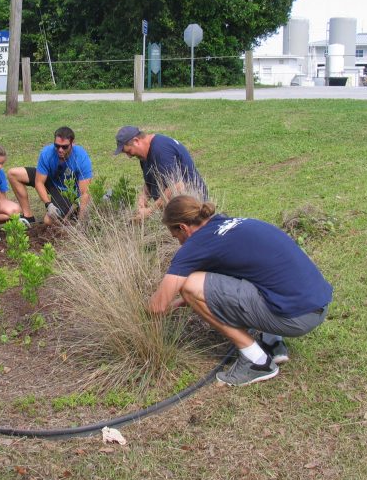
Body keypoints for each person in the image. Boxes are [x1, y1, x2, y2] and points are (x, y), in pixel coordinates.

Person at [147, 195, 332, 386]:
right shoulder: (228, 223)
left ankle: (257, 362)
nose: (178, 243)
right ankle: (271, 340)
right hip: (317, 305)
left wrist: (143, 315)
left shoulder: (196, 244)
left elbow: (157, 307)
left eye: (175, 236)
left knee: (188, 286)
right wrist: (179, 303)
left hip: (296, 318)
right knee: (245, 272)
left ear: (183, 228)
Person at [114, 126, 207, 219]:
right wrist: (143, 198)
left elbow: (176, 186)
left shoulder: (161, 150)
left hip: (191, 209)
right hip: (175, 207)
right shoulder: (144, 154)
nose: (129, 156)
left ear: (136, 141)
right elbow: (150, 180)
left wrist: (150, 211)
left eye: (129, 151)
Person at [7, 126, 93, 225]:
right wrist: (49, 205)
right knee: (13, 174)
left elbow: (85, 193)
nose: (60, 150)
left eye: (64, 147)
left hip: (66, 191)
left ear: (72, 143)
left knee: (48, 221)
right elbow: (39, 182)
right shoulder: (47, 152)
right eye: (57, 146)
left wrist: (81, 222)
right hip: (51, 181)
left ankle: (72, 210)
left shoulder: (81, 157)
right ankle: (28, 216)